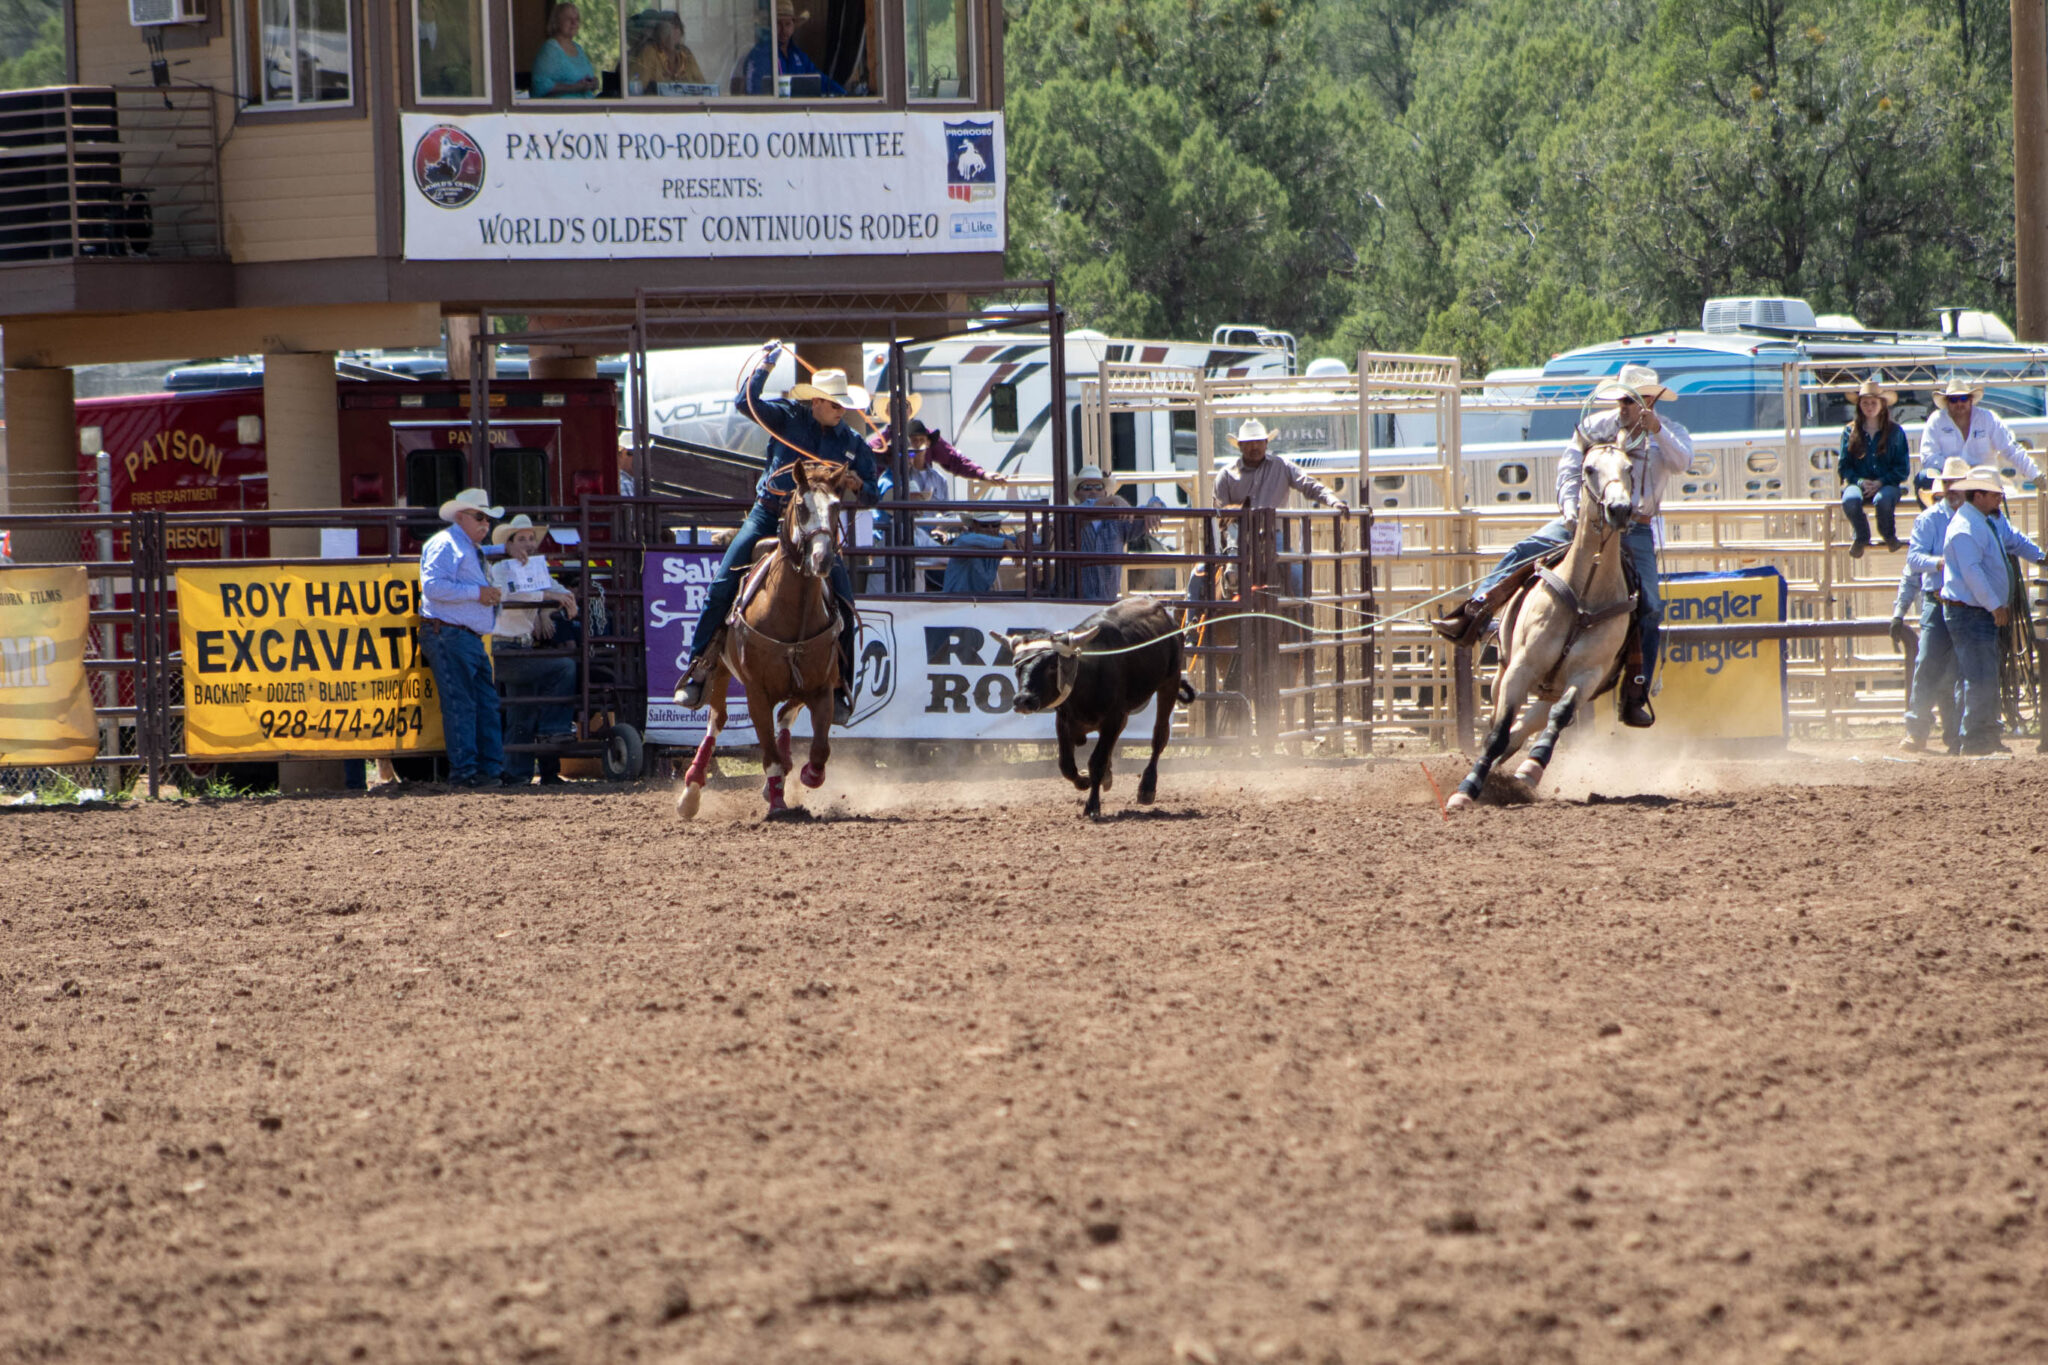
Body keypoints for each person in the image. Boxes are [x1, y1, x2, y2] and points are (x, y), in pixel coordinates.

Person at [1430, 364, 1693, 728]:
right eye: (1622, 400)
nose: (1625, 407)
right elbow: (1569, 470)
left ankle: (1636, 690)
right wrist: (1571, 512)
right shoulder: (1596, 427)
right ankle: (1475, 612)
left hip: (1635, 528)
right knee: (1526, 549)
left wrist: (1657, 431)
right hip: (1587, 522)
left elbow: (1682, 462)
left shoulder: (1670, 434)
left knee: (1649, 606)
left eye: (1633, 400)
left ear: (1650, 401)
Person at [675, 346, 880, 723]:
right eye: (836, 405)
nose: (842, 411)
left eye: (843, 406)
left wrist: (860, 483)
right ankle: (698, 669)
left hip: (815, 525)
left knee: (846, 607)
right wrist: (766, 366)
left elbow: (873, 493)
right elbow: (745, 403)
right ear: (816, 401)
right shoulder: (787, 418)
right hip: (769, 515)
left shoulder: (851, 443)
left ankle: (840, 688)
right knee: (721, 585)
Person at [1895, 456, 2042, 753]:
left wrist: (2041, 557)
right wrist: (1943, 564)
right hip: (1947, 601)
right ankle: (1926, 731)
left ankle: (1962, 735)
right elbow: (1916, 561)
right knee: (1935, 666)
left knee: (1966, 672)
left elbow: (2014, 541)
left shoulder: (1987, 519)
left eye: (1955, 484)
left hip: (1963, 602)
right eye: (1947, 483)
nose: (1951, 488)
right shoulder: (1935, 519)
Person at [418, 488, 506, 787]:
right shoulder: (447, 544)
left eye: (488, 519)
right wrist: (478, 593)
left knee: (481, 703)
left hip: (461, 635)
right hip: (450, 633)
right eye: (480, 517)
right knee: (466, 704)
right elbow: (432, 587)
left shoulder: (465, 547)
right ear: (461, 516)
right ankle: (468, 773)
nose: (486, 524)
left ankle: (483, 771)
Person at [1940, 465, 2027, 755]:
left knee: (1978, 674)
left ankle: (1979, 735)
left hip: (1972, 610)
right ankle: (1976, 738)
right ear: (1979, 495)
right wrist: (1994, 605)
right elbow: (1972, 573)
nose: (1999, 500)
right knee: (1980, 676)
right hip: (1971, 611)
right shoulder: (1967, 526)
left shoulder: (1978, 522)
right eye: (1995, 495)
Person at [490, 515, 579, 786]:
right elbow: (512, 594)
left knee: (522, 711)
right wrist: (550, 600)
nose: (528, 544)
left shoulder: (536, 570)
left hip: (517, 647)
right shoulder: (501, 569)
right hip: (504, 647)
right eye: (522, 539)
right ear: (510, 544)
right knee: (564, 667)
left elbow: (556, 589)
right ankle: (554, 730)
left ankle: (516, 773)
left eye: (531, 539)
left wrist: (561, 597)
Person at [1837, 380, 1910, 556]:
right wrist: (1861, 482)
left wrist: (1881, 482)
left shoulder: (1895, 431)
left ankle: (1888, 535)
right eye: (1865, 403)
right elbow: (1844, 466)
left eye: (1873, 403)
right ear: (1859, 405)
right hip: (1857, 483)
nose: (1869, 407)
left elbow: (1902, 467)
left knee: (1883, 500)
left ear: (1882, 405)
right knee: (1850, 500)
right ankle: (1861, 535)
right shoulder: (1849, 431)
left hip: (1887, 484)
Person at [1920, 379, 2041, 482]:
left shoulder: (1988, 418)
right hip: (1949, 481)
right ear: (1947, 402)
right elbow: (1928, 457)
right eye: (1953, 399)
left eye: (1963, 398)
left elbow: (2011, 449)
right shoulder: (1936, 420)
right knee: (1923, 478)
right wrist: (1958, 469)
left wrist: (2036, 476)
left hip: (1983, 481)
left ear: (1970, 400)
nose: (1959, 403)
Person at [1072, 465, 1145, 601]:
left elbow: (1146, 513)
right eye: (1086, 488)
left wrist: (1155, 506)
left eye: (1098, 488)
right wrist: (1114, 500)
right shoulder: (1070, 517)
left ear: (1104, 493)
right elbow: (1084, 510)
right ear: (1077, 494)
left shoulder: (1117, 522)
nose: (1093, 492)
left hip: (1106, 603)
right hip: (1075, 604)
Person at [742, 0, 845, 95]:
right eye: (778, 24)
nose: (784, 30)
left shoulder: (799, 56)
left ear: (793, 26)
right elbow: (755, 92)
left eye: (788, 24)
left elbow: (822, 81)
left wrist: (844, 95)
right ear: (770, 25)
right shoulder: (759, 55)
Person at [941, 506, 1014, 595]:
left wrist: (1022, 535)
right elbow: (966, 540)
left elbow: (1033, 540)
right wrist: (1005, 542)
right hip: (957, 601)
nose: (991, 529)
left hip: (975, 601)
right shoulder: (965, 541)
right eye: (984, 525)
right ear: (974, 526)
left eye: (995, 525)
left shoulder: (999, 540)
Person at [532, 2, 600, 97]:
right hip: (562, 109)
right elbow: (540, 86)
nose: (574, 22)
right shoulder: (550, 49)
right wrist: (575, 87)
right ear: (556, 22)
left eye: (577, 19)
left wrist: (593, 83)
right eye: (568, 19)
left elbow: (588, 77)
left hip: (586, 108)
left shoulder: (578, 48)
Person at [629, 10, 706, 91]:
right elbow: (637, 89)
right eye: (669, 27)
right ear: (658, 32)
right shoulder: (650, 51)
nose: (673, 31)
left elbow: (702, 87)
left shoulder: (686, 54)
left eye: (677, 26)